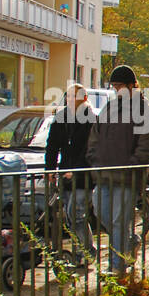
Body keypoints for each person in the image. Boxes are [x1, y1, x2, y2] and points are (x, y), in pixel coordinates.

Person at [87, 65, 149, 276]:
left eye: (119, 85)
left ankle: (116, 265)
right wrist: (94, 159)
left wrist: (133, 163)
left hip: (126, 176)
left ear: (131, 85)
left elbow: (148, 143)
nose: (116, 89)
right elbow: (95, 135)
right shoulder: (109, 108)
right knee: (101, 211)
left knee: (119, 220)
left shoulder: (143, 109)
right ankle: (129, 242)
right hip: (104, 174)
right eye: (114, 86)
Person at [45, 83, 96, 269]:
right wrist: (50, 168)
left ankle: (84, 252)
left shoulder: (90, 118)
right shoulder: (62, 117)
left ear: (83, 98)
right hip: (66, 173)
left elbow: (90, 148)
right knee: (71, 215)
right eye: (68, 96)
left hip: (83, 175)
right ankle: (86, 250)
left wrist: (76, 169)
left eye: (73, 97)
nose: (70, 100)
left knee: (76, 213)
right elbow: (52, 144)